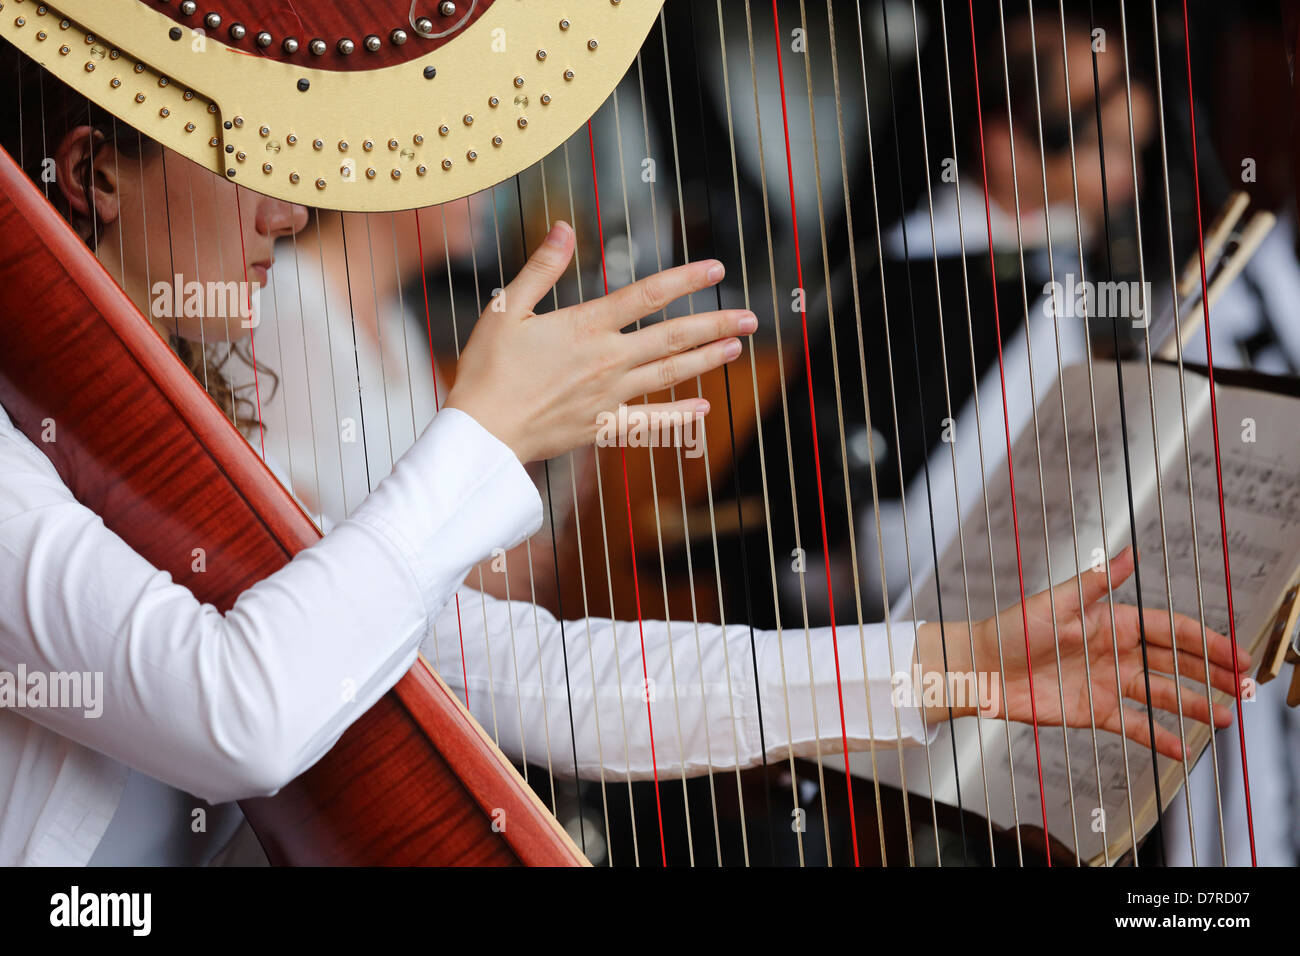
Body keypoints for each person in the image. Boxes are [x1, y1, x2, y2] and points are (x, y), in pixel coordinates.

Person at [0, 56, 1246, 867]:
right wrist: (482, 434)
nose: (285, 207)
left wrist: (948, 665)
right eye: (243, 162)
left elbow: (546, 673)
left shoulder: (190, 441)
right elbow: (242, 712)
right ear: (96, 172)